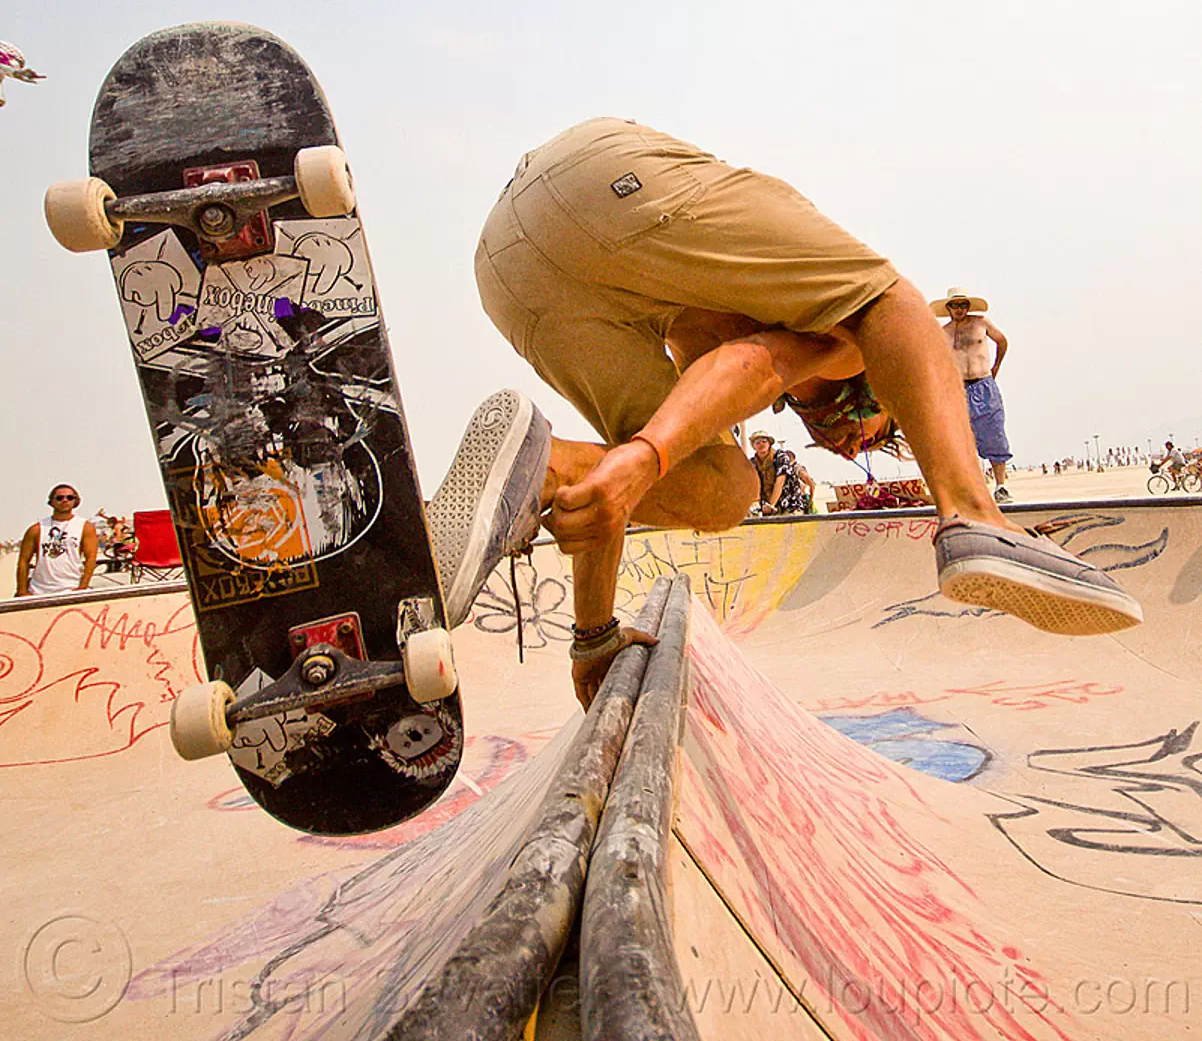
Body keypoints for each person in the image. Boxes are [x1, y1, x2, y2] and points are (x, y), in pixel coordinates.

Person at [426, 120, 1141, 708]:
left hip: (510, 272)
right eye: (856, 436)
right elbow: (764, 365)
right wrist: (647, 456)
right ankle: (975, 517)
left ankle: (539, 463)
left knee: (719, 489)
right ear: (880, 406)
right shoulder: (843, 342)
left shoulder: (718, 342)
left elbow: (620, 481)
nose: (833, 442)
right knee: (890, 300)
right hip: (599, 179)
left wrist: (592, 634)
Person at [930, 287, 1013, 503]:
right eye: (955, 305)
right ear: (948, 308)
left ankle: (1001, 486)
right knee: (958, 438)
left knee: (994, 433)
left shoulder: (980, 323)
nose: (959, 309)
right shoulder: (942, 332)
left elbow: (1002, 341)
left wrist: (996, 367)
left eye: (963, 305)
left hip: (983, 384)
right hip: (957, 388)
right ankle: (969, 488)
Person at [16, 484, 98, 596]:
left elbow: (91, 560)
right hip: (39, 590)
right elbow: (23, 561)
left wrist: (82, 587)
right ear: (51, 502)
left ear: (75, 501)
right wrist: (22, 590)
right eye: (59, 498)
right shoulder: (37, 529)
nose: (64, 500)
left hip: (71, 588)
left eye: (69, 498)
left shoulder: (85, 527)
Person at [748, 431, 808, 515]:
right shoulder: (753, 463)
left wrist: (771, 505)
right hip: (768, 508)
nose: (761, 444)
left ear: (769, 443)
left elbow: (780, 482)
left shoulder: (781, 457)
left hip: (789, 505)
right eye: (757, 442)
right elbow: (755, 485)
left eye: (764, 441)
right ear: (753, 446)